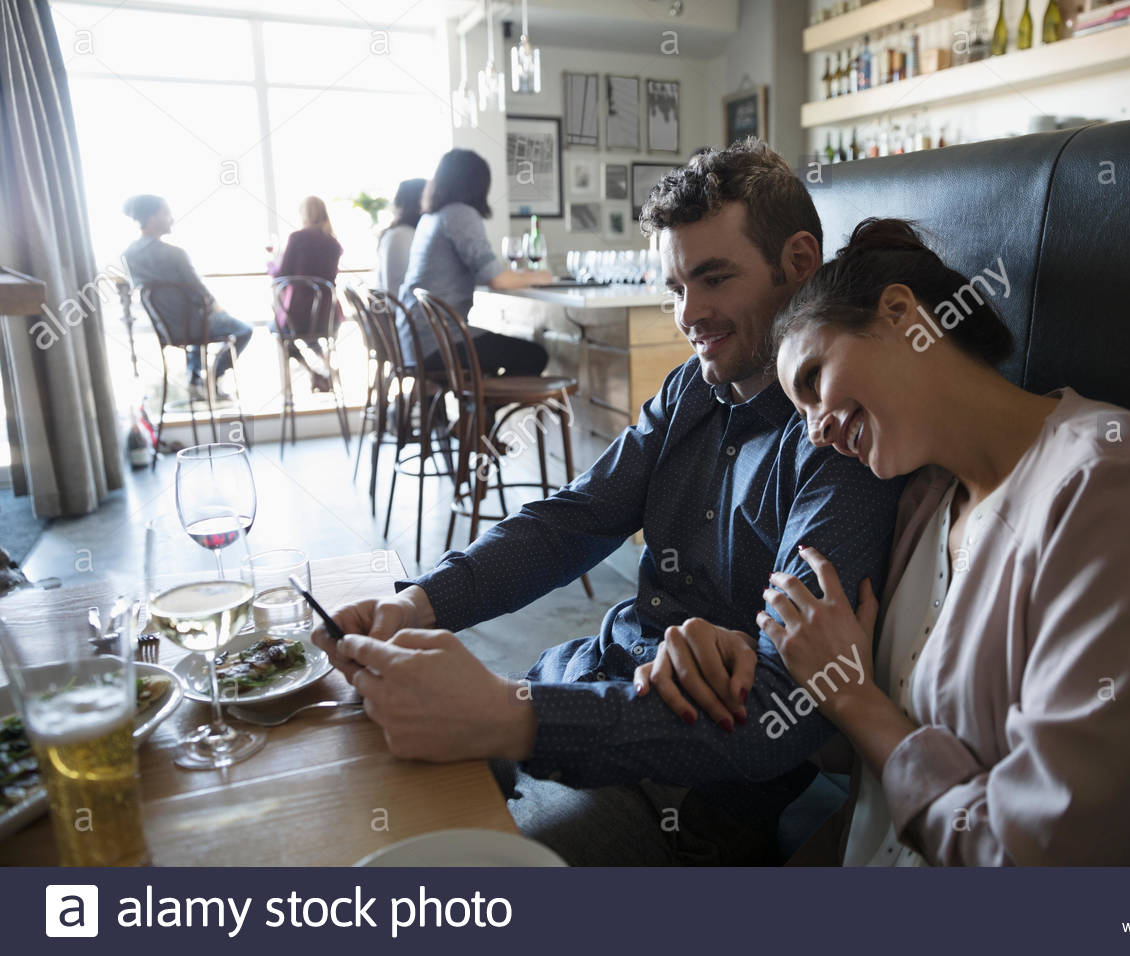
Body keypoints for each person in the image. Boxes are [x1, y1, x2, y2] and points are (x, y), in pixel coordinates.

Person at [312, 141, 906, 865]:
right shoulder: (696, 386)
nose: (690, 315)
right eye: (676, 287)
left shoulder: (839, 440)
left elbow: (777, 715)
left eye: (715, 279)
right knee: (349, 791)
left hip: (676, 793)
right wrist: (417, 604)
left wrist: (510, 718)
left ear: (799, 261)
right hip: (575, 681)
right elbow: (573, 521)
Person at [638, 217, 1130, 866]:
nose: (814, 434)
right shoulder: (926, 504)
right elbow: (895, 739)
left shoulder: (1122, 487)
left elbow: (1042, 858)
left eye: (812, 382)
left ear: (898, 314)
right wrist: (740, 660)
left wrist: (857, 701)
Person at [398, 148, 554, 377]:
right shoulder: (460, 214)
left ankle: (479, 408)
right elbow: (496, 279)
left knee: (499, 353)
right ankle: (481, 411)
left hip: (415, 341)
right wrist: (539, 276)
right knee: (534, 355)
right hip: (440, 342)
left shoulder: (430, 218)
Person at [122, 194, 252, 401]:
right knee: (243, 329)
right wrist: (218, 308)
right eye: (166, 213)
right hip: (194, 325)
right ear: (153, 217)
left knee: (195, 319)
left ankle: (195, 381)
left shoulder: (129, 255)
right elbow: (200, 292)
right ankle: (212, 377)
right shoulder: (174, 254)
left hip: (167, 328)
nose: (171, 218)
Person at [270, 196, 343, 393]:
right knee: (311, 335)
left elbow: (282, 275)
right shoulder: (333, 243)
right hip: (329, 315)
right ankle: (327, 368)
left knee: (278, 330)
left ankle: (314, 372)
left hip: (300, 313)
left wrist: (272, 263)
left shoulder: (298, 238)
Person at [375, 178, 425, 298]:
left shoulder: (404, 233)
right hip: (400, 312)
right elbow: (396, 291)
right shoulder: (401, 236)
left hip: (401, 308)